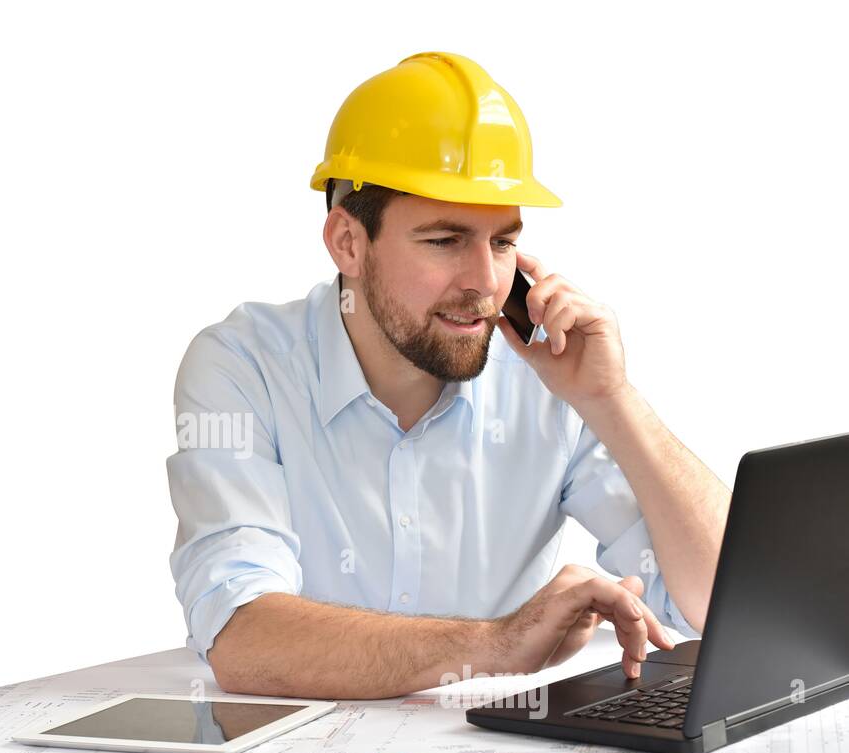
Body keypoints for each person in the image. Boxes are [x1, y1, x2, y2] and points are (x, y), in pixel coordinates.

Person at [165, 52, 731, 699]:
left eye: (501, 242)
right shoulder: (242, 366)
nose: (487, 283)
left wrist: (612, 399)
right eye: (445, 240)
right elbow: (241, 635)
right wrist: (495, 643)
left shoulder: (551, 382)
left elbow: (722, 605)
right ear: (348, 242)